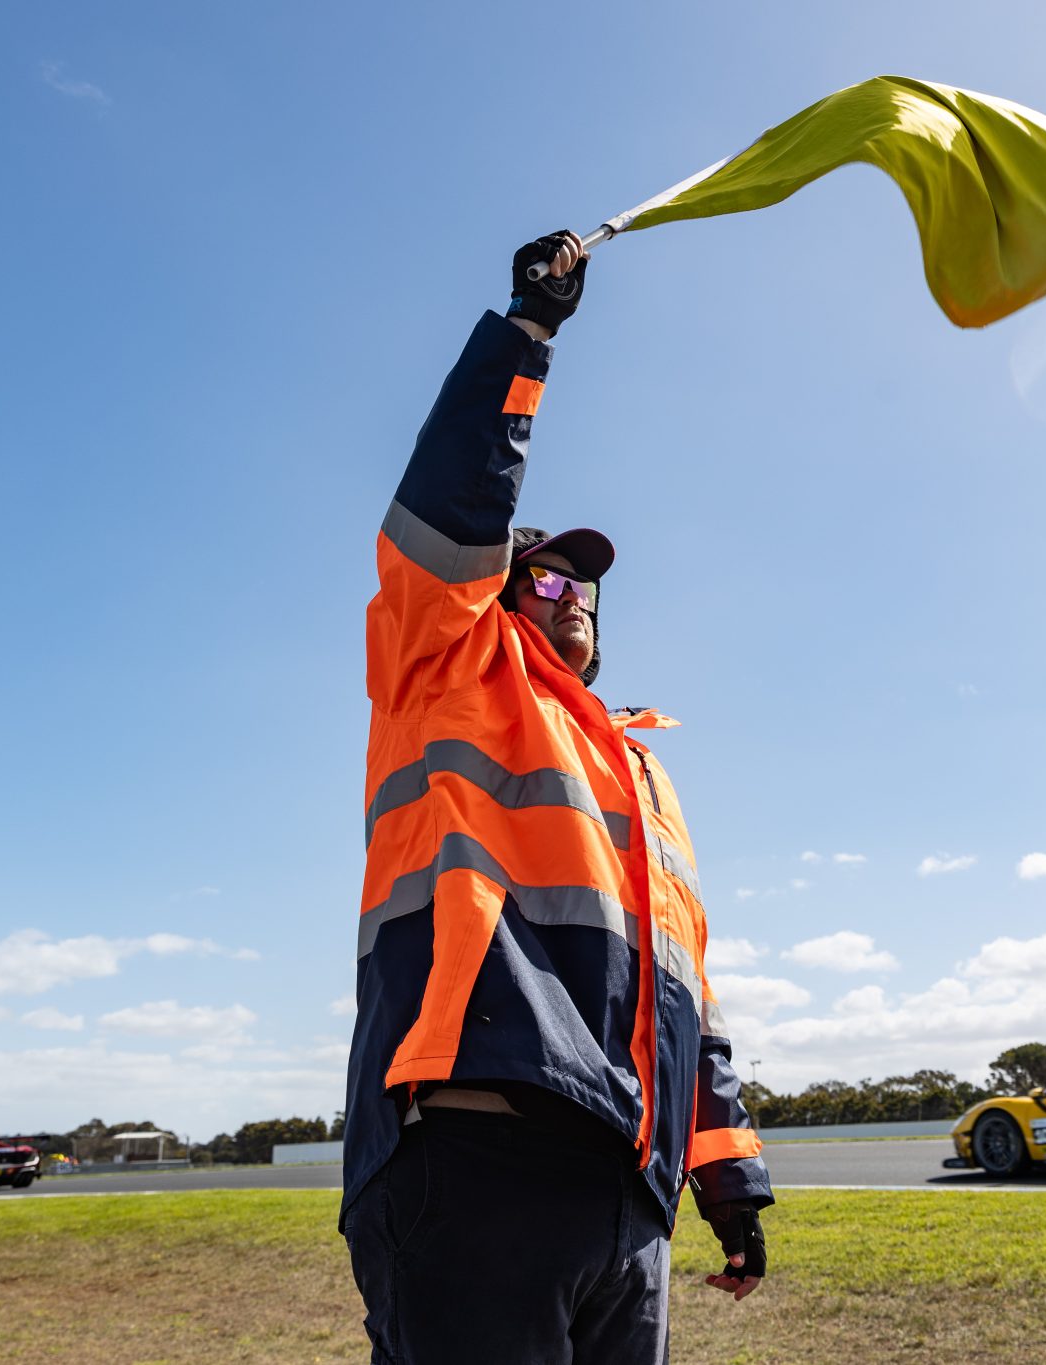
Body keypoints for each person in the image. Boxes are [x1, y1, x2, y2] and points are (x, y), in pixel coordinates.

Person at [342, 231, 773, 1363]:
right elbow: (448, 503)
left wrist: (728, 1183)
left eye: (578, 581)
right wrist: (526, 335)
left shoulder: (640, 772)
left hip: (626, 1195)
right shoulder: (444, 667)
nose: (564, 591)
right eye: (537, 574)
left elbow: (688, 996)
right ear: (496, 594)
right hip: (475, 1159)